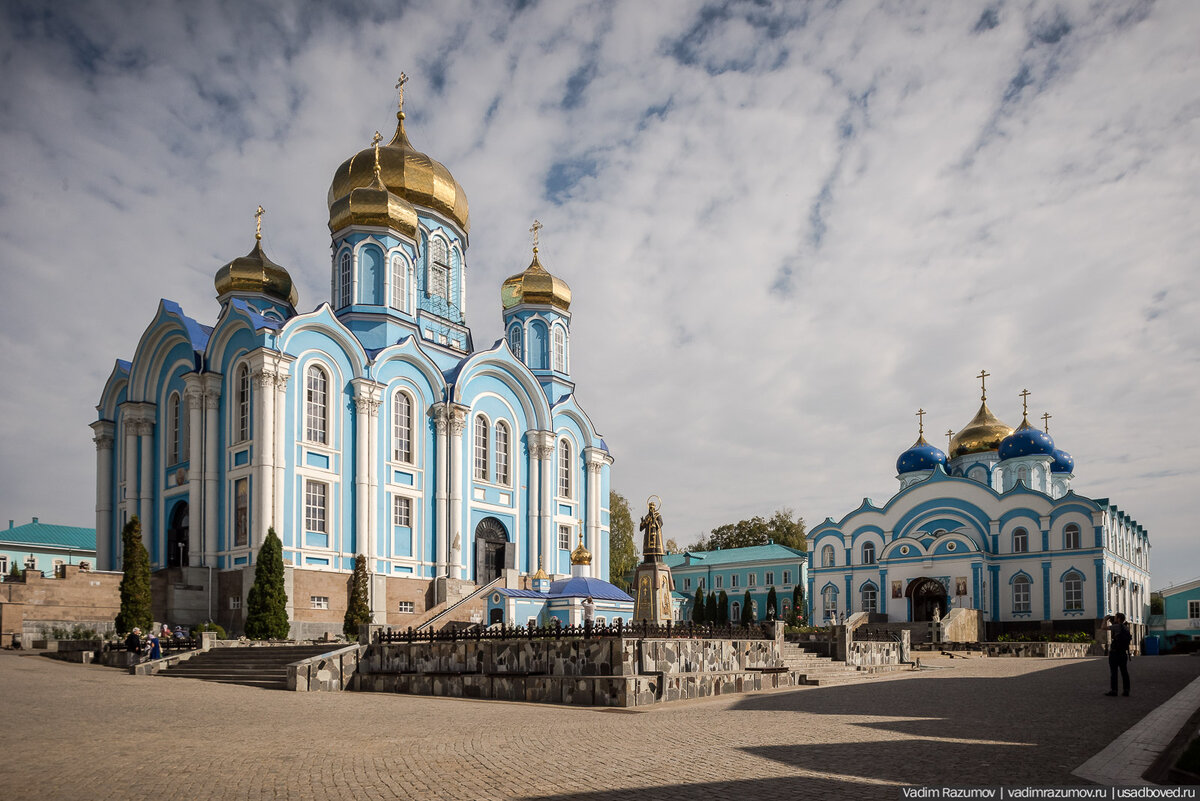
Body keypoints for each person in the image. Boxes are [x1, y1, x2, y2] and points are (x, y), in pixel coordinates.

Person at [1102, 613, 1132, 697]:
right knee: (1124, 672)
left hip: (1115, 653)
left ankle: (1114, 690)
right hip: (1123, 653)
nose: (1114, 618)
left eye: (1115, 617)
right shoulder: (1125, 627)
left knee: (1114, 672)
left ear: (1118, 619)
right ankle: (1126, 690)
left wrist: (1105, 619)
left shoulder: (1117, 626)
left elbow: (1103, 628)